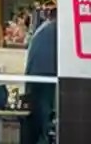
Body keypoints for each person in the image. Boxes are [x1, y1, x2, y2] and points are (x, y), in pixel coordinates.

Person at [23, 7, 58, 143]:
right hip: (46, 77)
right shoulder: (55, 30)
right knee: (45, 121)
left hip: (37, 77)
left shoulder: (43, 29)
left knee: (38, 119)